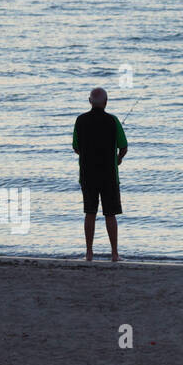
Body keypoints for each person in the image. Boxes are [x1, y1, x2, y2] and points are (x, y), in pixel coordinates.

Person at [73, 87, 128, 262]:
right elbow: (124, 147)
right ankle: (114, 254)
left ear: (90, 101)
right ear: (106, 102)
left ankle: (89, 253)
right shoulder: (113, 121)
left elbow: (76, 148)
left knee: (90, 213)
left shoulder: (80, 121)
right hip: (109, 176)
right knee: (110, 214)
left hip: (88, 175)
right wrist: (118, 159)